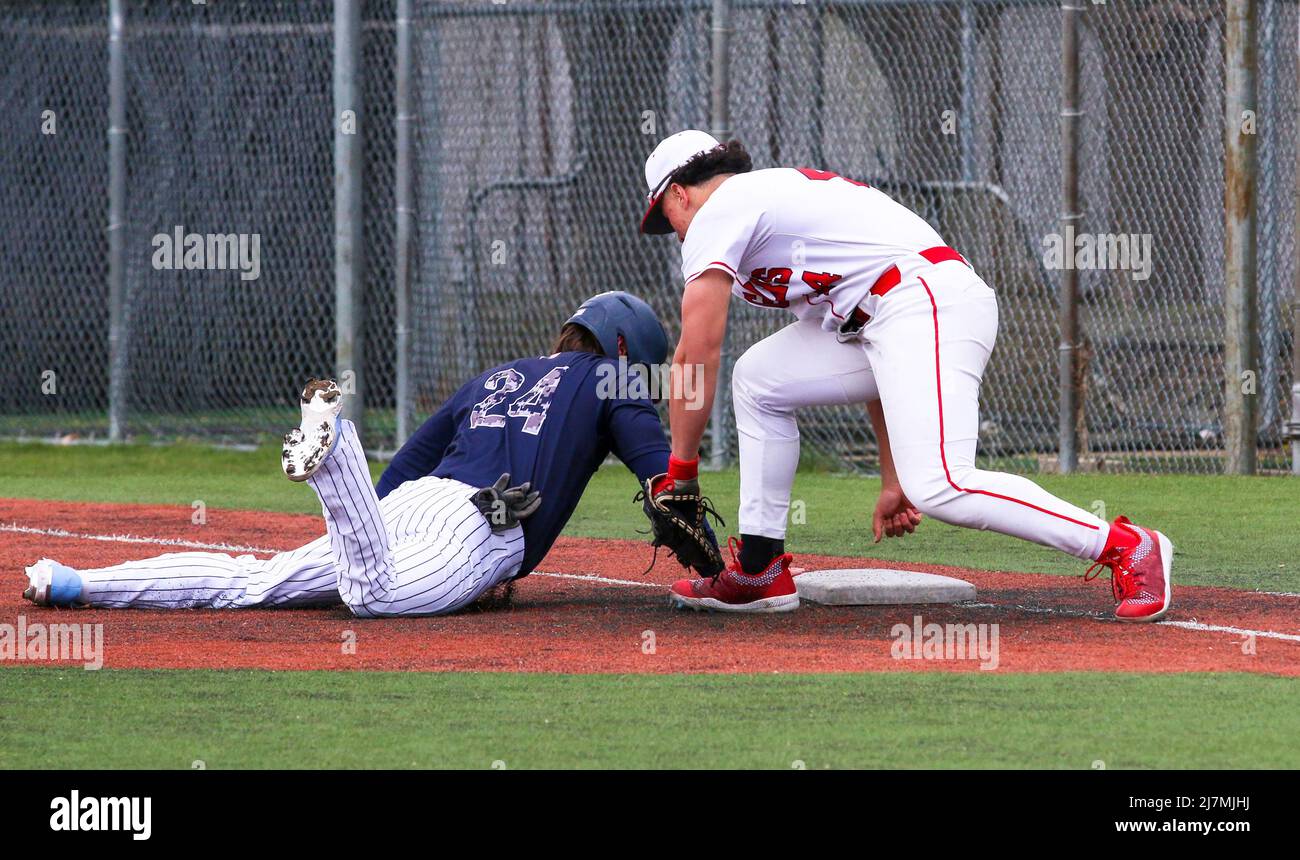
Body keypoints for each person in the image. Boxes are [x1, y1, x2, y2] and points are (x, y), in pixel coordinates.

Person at [638, 129, 1172, 620]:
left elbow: (696, 350)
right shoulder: (769, 221)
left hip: (927, 300)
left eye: (666, 217)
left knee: (942, 484)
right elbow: (859, 337)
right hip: (893, 313)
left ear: (680, 193)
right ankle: (760, 570)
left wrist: (680, 469)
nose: (675, 232)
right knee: (759, 378)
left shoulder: (724, 207)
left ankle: (1127, 545)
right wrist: (892, 476)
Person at [22, 291, 706, 617]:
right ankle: (334, 452)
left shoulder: (495, 376)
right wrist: (707, 549)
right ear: (624, 353)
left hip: (412, 501)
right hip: (479, 526)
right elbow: (662, 479)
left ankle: (76, 581)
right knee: (372, 597)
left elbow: (409, 461)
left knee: (256, 581)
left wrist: (371, 525)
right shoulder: (614, 381)